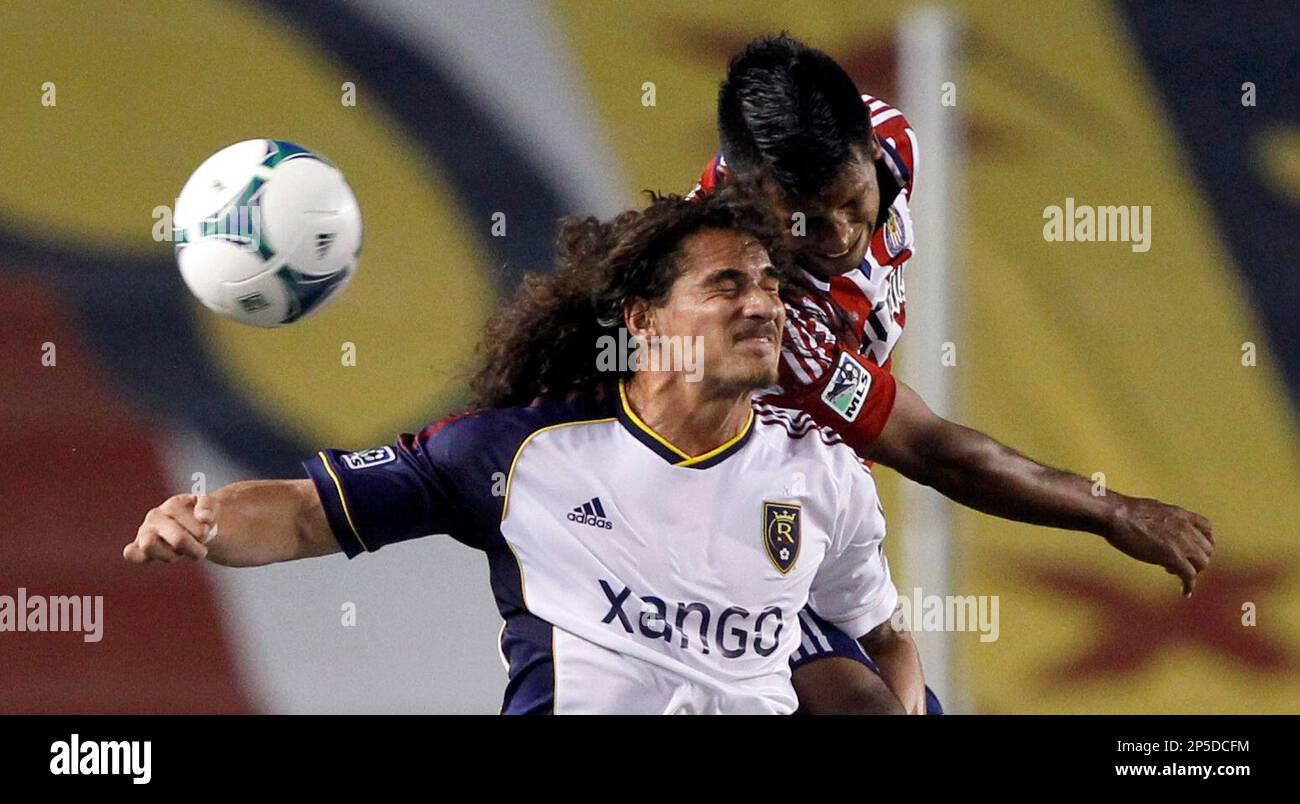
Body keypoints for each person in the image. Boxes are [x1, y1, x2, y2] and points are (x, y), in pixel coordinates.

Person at [123, 189, 923, 715]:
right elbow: (305, 516)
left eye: (771, 285)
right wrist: (205, 520)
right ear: (642, 320)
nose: (762, 305)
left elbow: (883, 637)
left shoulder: (824, 473)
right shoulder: (520, 453)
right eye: (727, 286)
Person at [690, 34, 1215, 709]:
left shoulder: (893, 140)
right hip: (724, 535)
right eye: (806, 224)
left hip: (824, 514)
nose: (840, 236)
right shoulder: (752, 313)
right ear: (747, 198)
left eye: (851, 203)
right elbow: (931, 450)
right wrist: (1111, 512)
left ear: (867, 148)